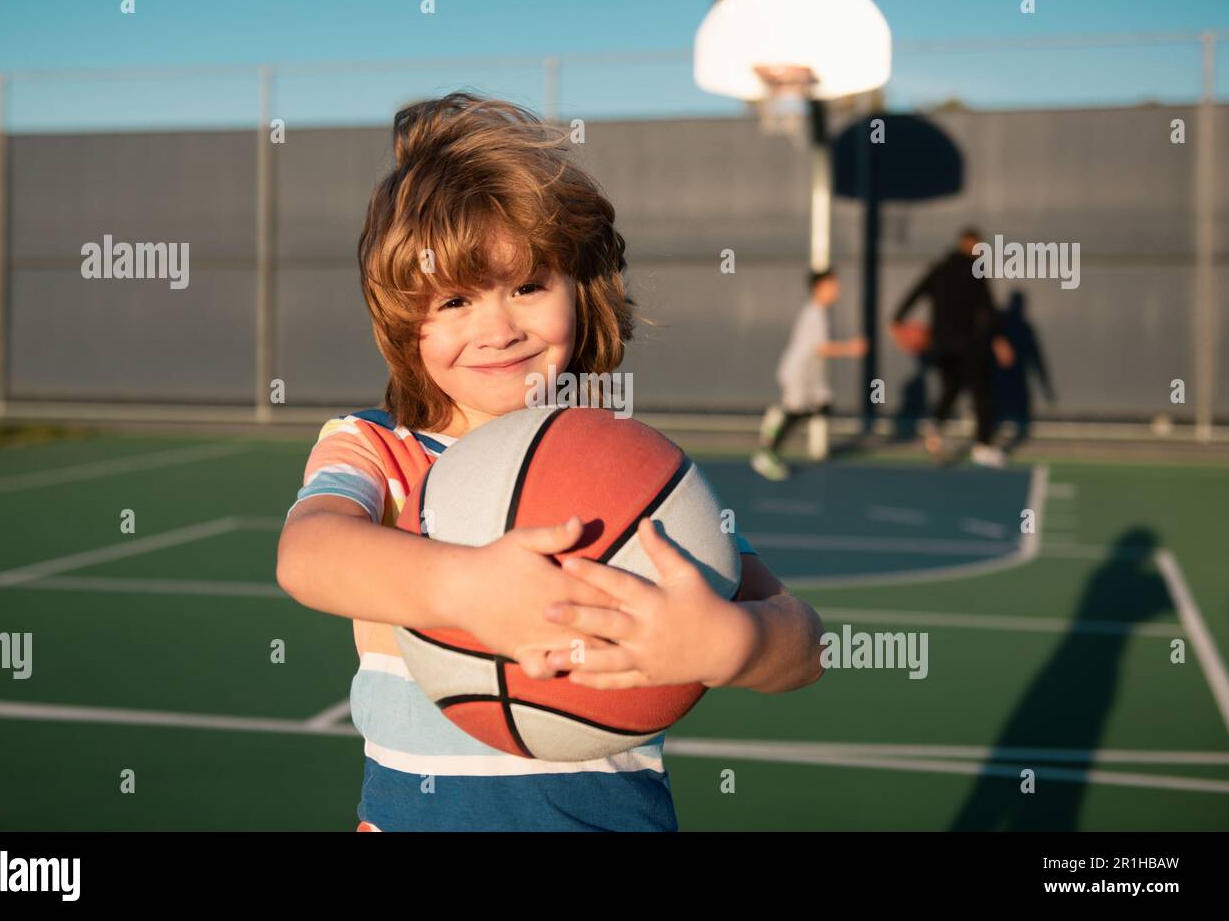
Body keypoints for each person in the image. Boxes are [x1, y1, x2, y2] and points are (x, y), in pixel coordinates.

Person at [275, 93, 827, 832]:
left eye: (528, 286)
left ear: (582, 290)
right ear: (404, 322)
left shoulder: (632, 474)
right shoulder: (379, 448)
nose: (496, 328)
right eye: (453, 301)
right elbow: (307, 553)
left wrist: (735, 644)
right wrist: (465, 586)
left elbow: (805, 640)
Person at [891, 227, 1015, 467]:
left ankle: (935, 428)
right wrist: (999, 339)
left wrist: (897, 320)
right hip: (968, 344)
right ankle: (983, 447)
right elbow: (987, 308)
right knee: (982, 395)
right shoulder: (975, 271)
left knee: (951, 388)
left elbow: (915, 292)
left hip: (941, 346)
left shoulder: (939, 268)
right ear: (971, 245)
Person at [752, 267, 867, 481]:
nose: (837, 289)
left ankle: (778, 419)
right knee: (795, 411)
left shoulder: (819, 312)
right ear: (820, 287)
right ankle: (767, 452)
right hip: (797, 374)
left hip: (809, 377)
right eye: (833, 285)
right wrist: (852, 348)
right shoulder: (814, 313)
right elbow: (822, 348)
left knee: (823, 406)